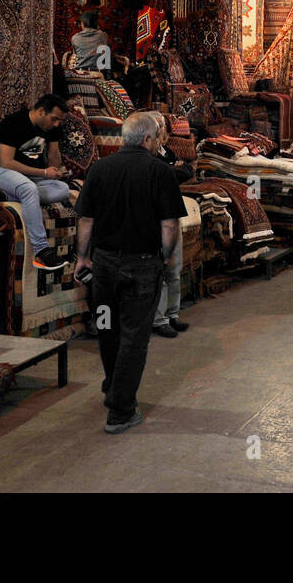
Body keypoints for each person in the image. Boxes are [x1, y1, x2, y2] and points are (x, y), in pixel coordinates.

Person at [74, 111, 184, 434]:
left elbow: (85, 221)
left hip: (105, 267)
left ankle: (113, 386)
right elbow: (169, 224)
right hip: (143, 266)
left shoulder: (99, 169)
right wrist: (166, 258)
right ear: (148, 139)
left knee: (107, 327)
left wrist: (82, 258)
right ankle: (120, 410)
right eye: (157, 137)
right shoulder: (160, 172)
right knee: (135, 334)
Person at [0, 93, 73, 271]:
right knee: (29, 189)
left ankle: (2, 196)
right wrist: (44, 172)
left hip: (24, 180)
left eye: (59, 120)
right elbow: (7, 163)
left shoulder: (52, 127)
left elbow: (53, 157)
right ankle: (41, 251)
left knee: (63, 189)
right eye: (54, 119)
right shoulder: (14, 122)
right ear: (41, 111)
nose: (56, 124)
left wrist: (59, 171)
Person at [147, 113, 190, 338]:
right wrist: (174, 169)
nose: (163, 131)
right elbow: (168, 173)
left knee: (174, 269)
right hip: (158, 216)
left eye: (164, 126)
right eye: (159, 127)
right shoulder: (149, 156)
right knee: (162, 268)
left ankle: (173, 314)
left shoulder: (167, 153)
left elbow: (187, 171)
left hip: (173, 213)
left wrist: (174, 169)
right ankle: (159, 319)